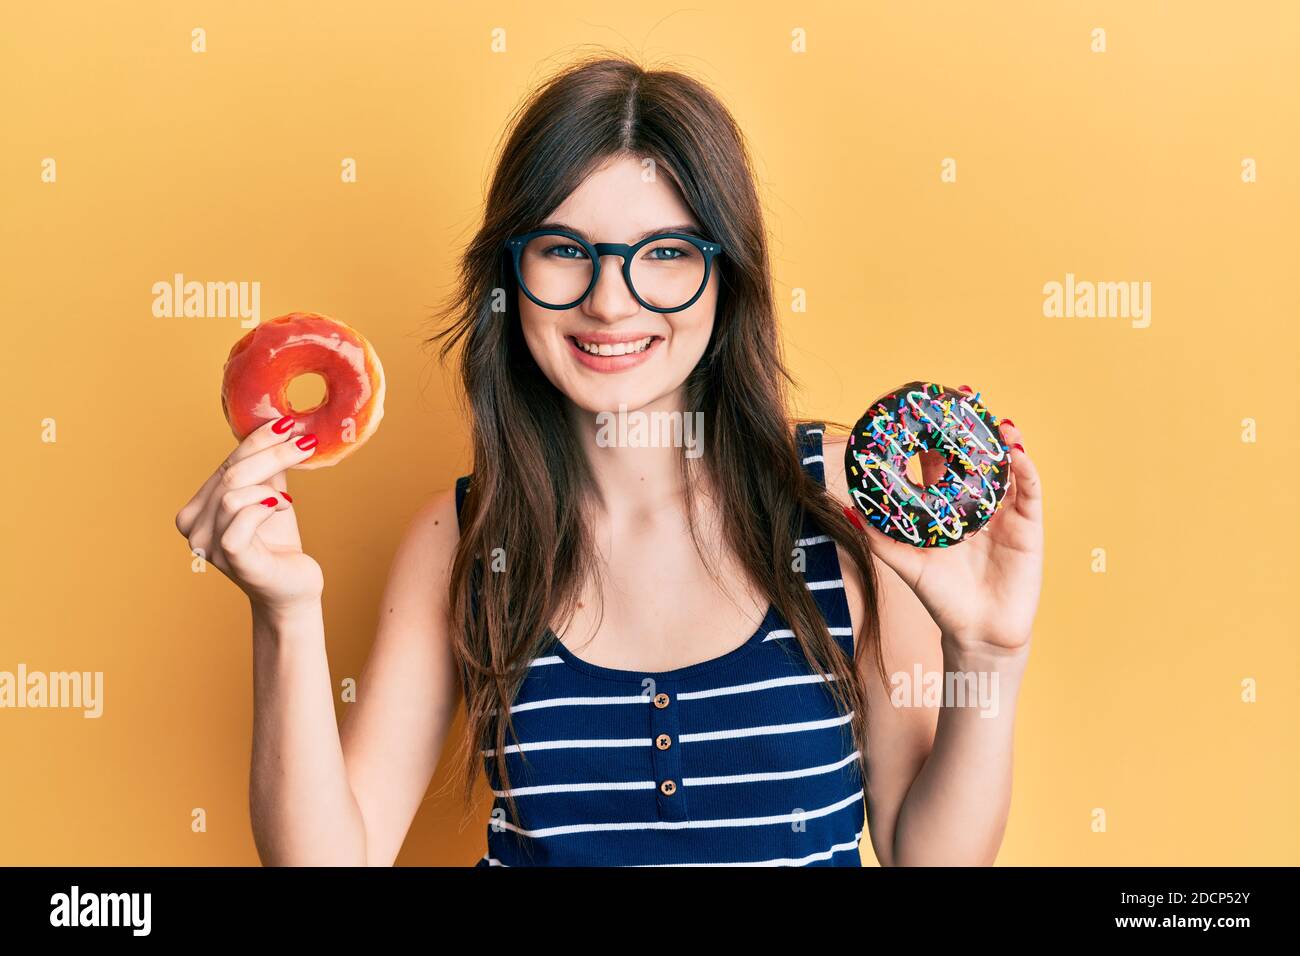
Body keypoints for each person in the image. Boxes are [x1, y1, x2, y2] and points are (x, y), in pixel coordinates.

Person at [173, 54, 1043, 867]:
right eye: (565, 250)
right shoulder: (460, 539)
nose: (609, 300)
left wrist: (987, 656)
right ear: (510, 280)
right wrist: (284, 611)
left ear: (727, 276)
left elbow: (929, 852)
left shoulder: (844, 498)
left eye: (665, 254)